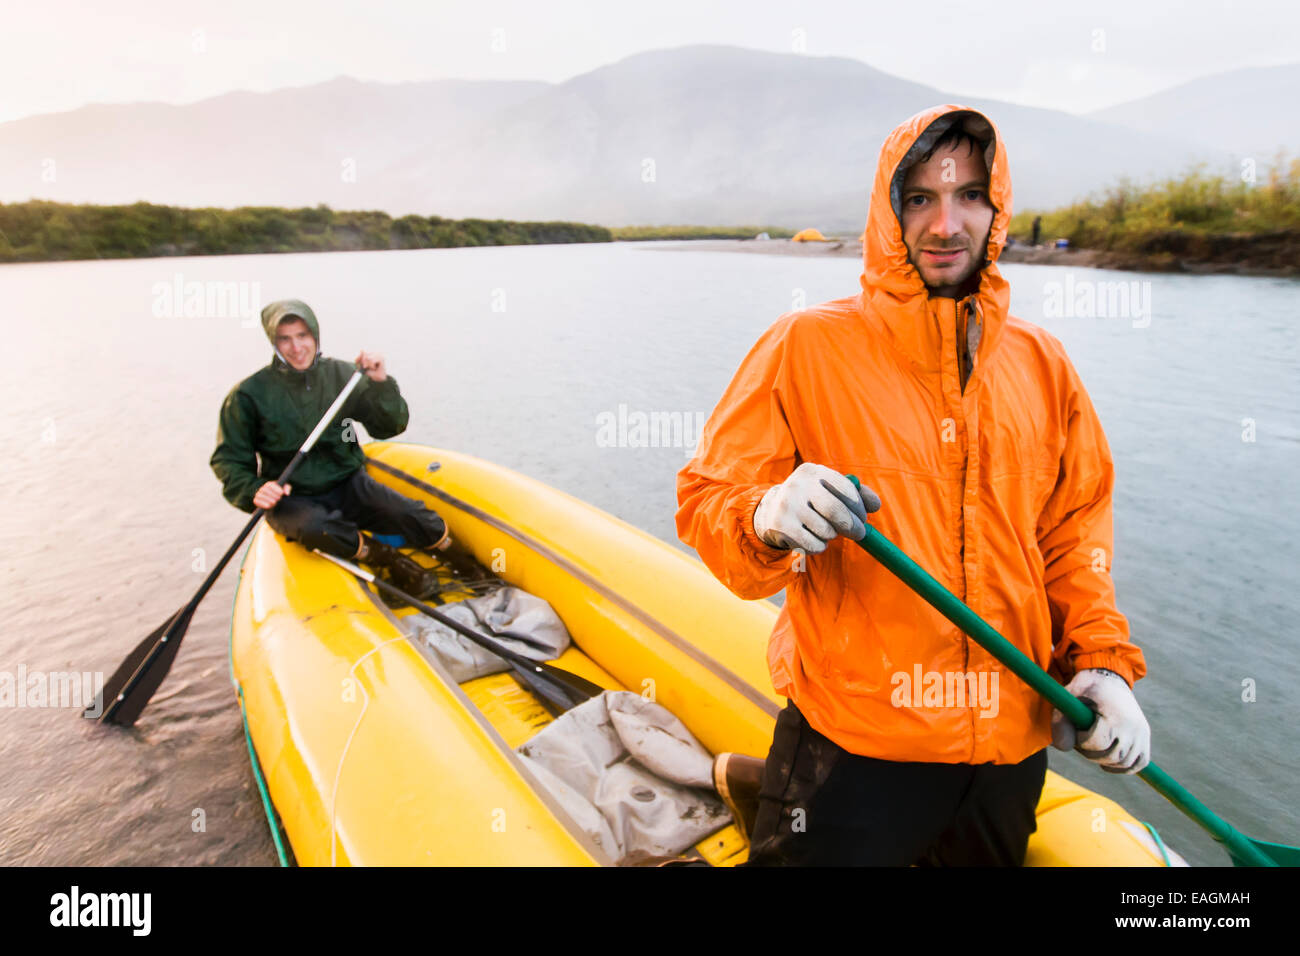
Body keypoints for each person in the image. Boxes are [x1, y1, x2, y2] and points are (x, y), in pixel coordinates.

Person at [676, 105, 1150, 866]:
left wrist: (1101, 663)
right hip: (853, 746)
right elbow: (707, 505)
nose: (944, 223)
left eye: (968, 195)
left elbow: (1073, 538)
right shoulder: (805, 346)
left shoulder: (1045, 364)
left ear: (997, 211)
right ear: (888, 213)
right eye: (920, 198)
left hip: (1006, 754)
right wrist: (765, 512)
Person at [210, 298, 448, 598]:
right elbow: (228, 461)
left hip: (347, 482)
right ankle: (387, 559)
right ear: (273, 342)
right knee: (316, 528)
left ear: (315, 335)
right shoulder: (248, 395)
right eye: (285, 339)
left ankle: (462, 561)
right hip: (292, 498)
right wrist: (253, 489)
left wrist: (381, 384)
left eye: (302, 336)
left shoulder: (344, 375)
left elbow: (388, 427)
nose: (296, 348)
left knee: (414, 515)